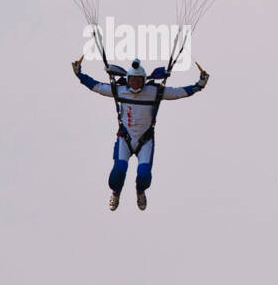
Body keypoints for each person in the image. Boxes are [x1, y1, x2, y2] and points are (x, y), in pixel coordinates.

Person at [72, 56, 209, 210]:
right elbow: (96, 86)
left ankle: (140, 191)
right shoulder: (119, 90)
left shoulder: (154, 92)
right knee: (119, 169)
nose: (135, 83)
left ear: (144, 80)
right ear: (127, 79)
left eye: (138, 80)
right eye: (132, 80)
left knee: (144, 174)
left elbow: (178, 92)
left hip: (146, 140)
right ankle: (116, 193)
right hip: (125, 138)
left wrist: (199, 85)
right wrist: (79, 74)